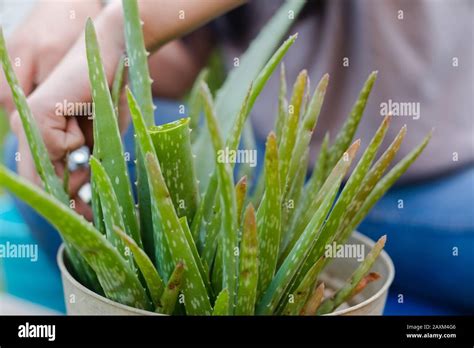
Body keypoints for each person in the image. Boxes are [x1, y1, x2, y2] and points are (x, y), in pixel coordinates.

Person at [1, 0, 473, 313]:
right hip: (270, 169)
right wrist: (80, 40)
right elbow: (180, 63)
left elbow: (137, 25)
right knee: (35, 154)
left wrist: (114, 26)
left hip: (441, 184)